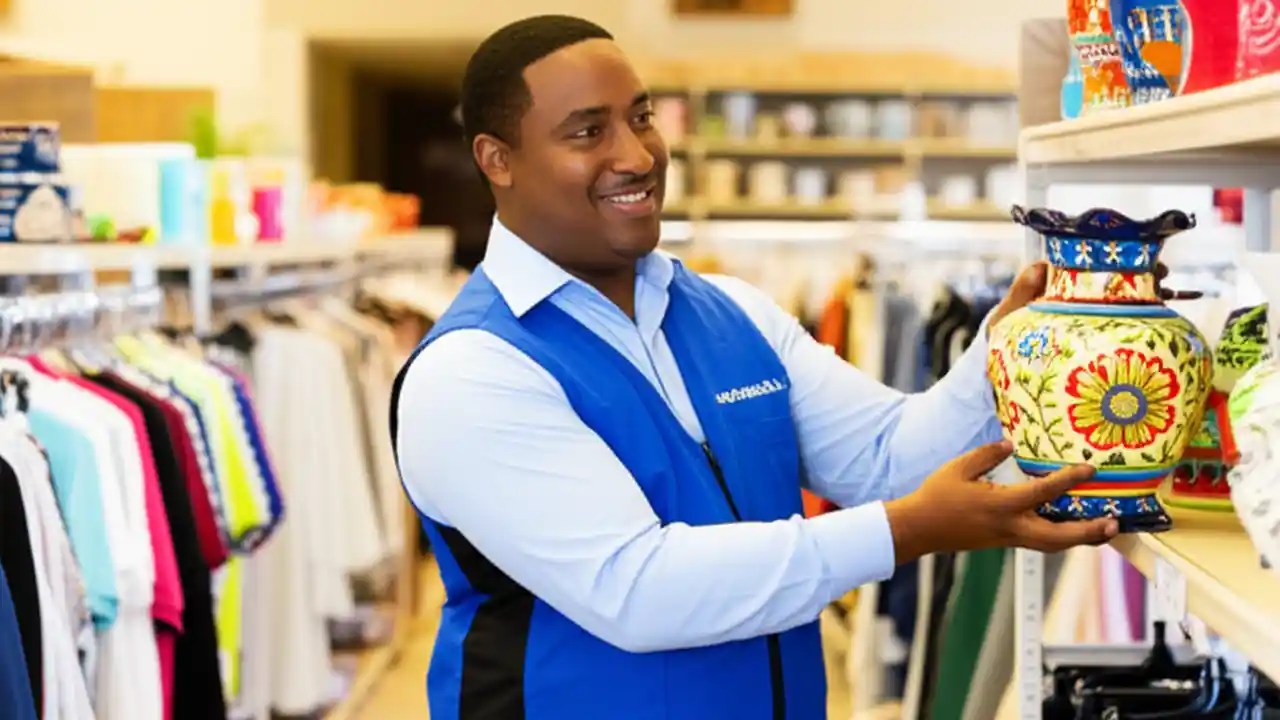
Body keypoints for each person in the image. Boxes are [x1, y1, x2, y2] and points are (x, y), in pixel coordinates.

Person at [390, 15, 1127, 720]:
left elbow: (885, 457)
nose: (638, 156)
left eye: (641, 117)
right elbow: (637, 588)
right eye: (588, 131)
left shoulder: (733, 313)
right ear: (497, 160)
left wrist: (1004, 346)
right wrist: (905, 532)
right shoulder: (472, 371)